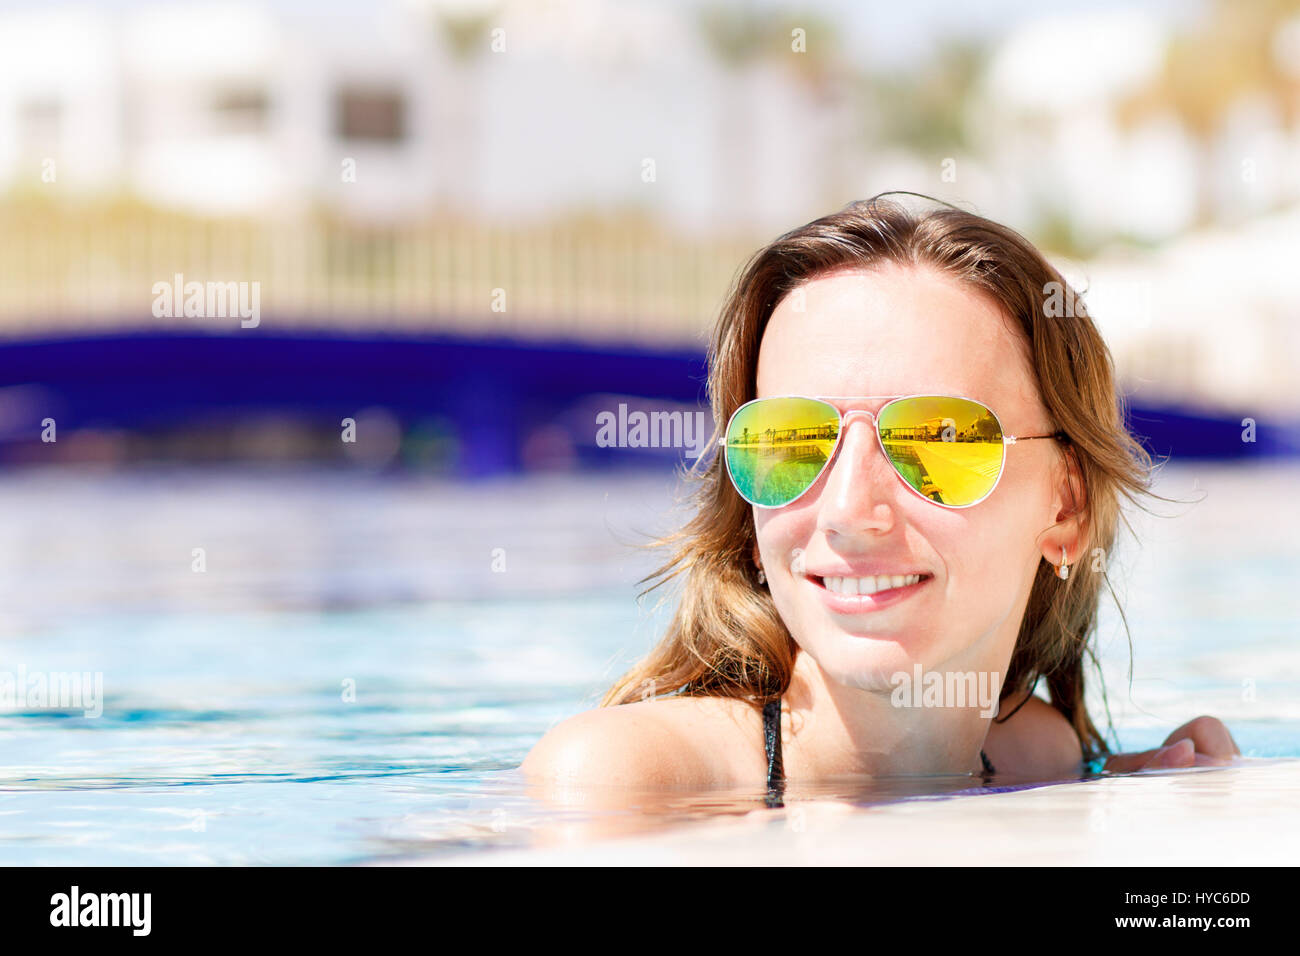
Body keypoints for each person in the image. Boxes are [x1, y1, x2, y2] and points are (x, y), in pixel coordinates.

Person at [521, 194, 1239, 798]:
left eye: (937, 442)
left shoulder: (1038, 757)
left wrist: (1156, 775)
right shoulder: (621, 785)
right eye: (791, 442)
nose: (847, 513)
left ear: (1066, 510)